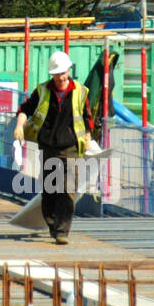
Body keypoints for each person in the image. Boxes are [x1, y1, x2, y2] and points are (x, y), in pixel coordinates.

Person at [13, 50, 95, 245]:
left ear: (69, 70)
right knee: (50, 189)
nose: (60, 77)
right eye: (56, 74)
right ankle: (52, 224)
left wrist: (89, 138)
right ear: (52, 74)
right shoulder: (42, 91)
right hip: (48, 145)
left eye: (63, 73)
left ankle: (62, 230)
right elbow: (25, 109)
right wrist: (19, 126)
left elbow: (88, 117)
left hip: (71, 146)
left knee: (67, 189)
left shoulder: (80, 92)